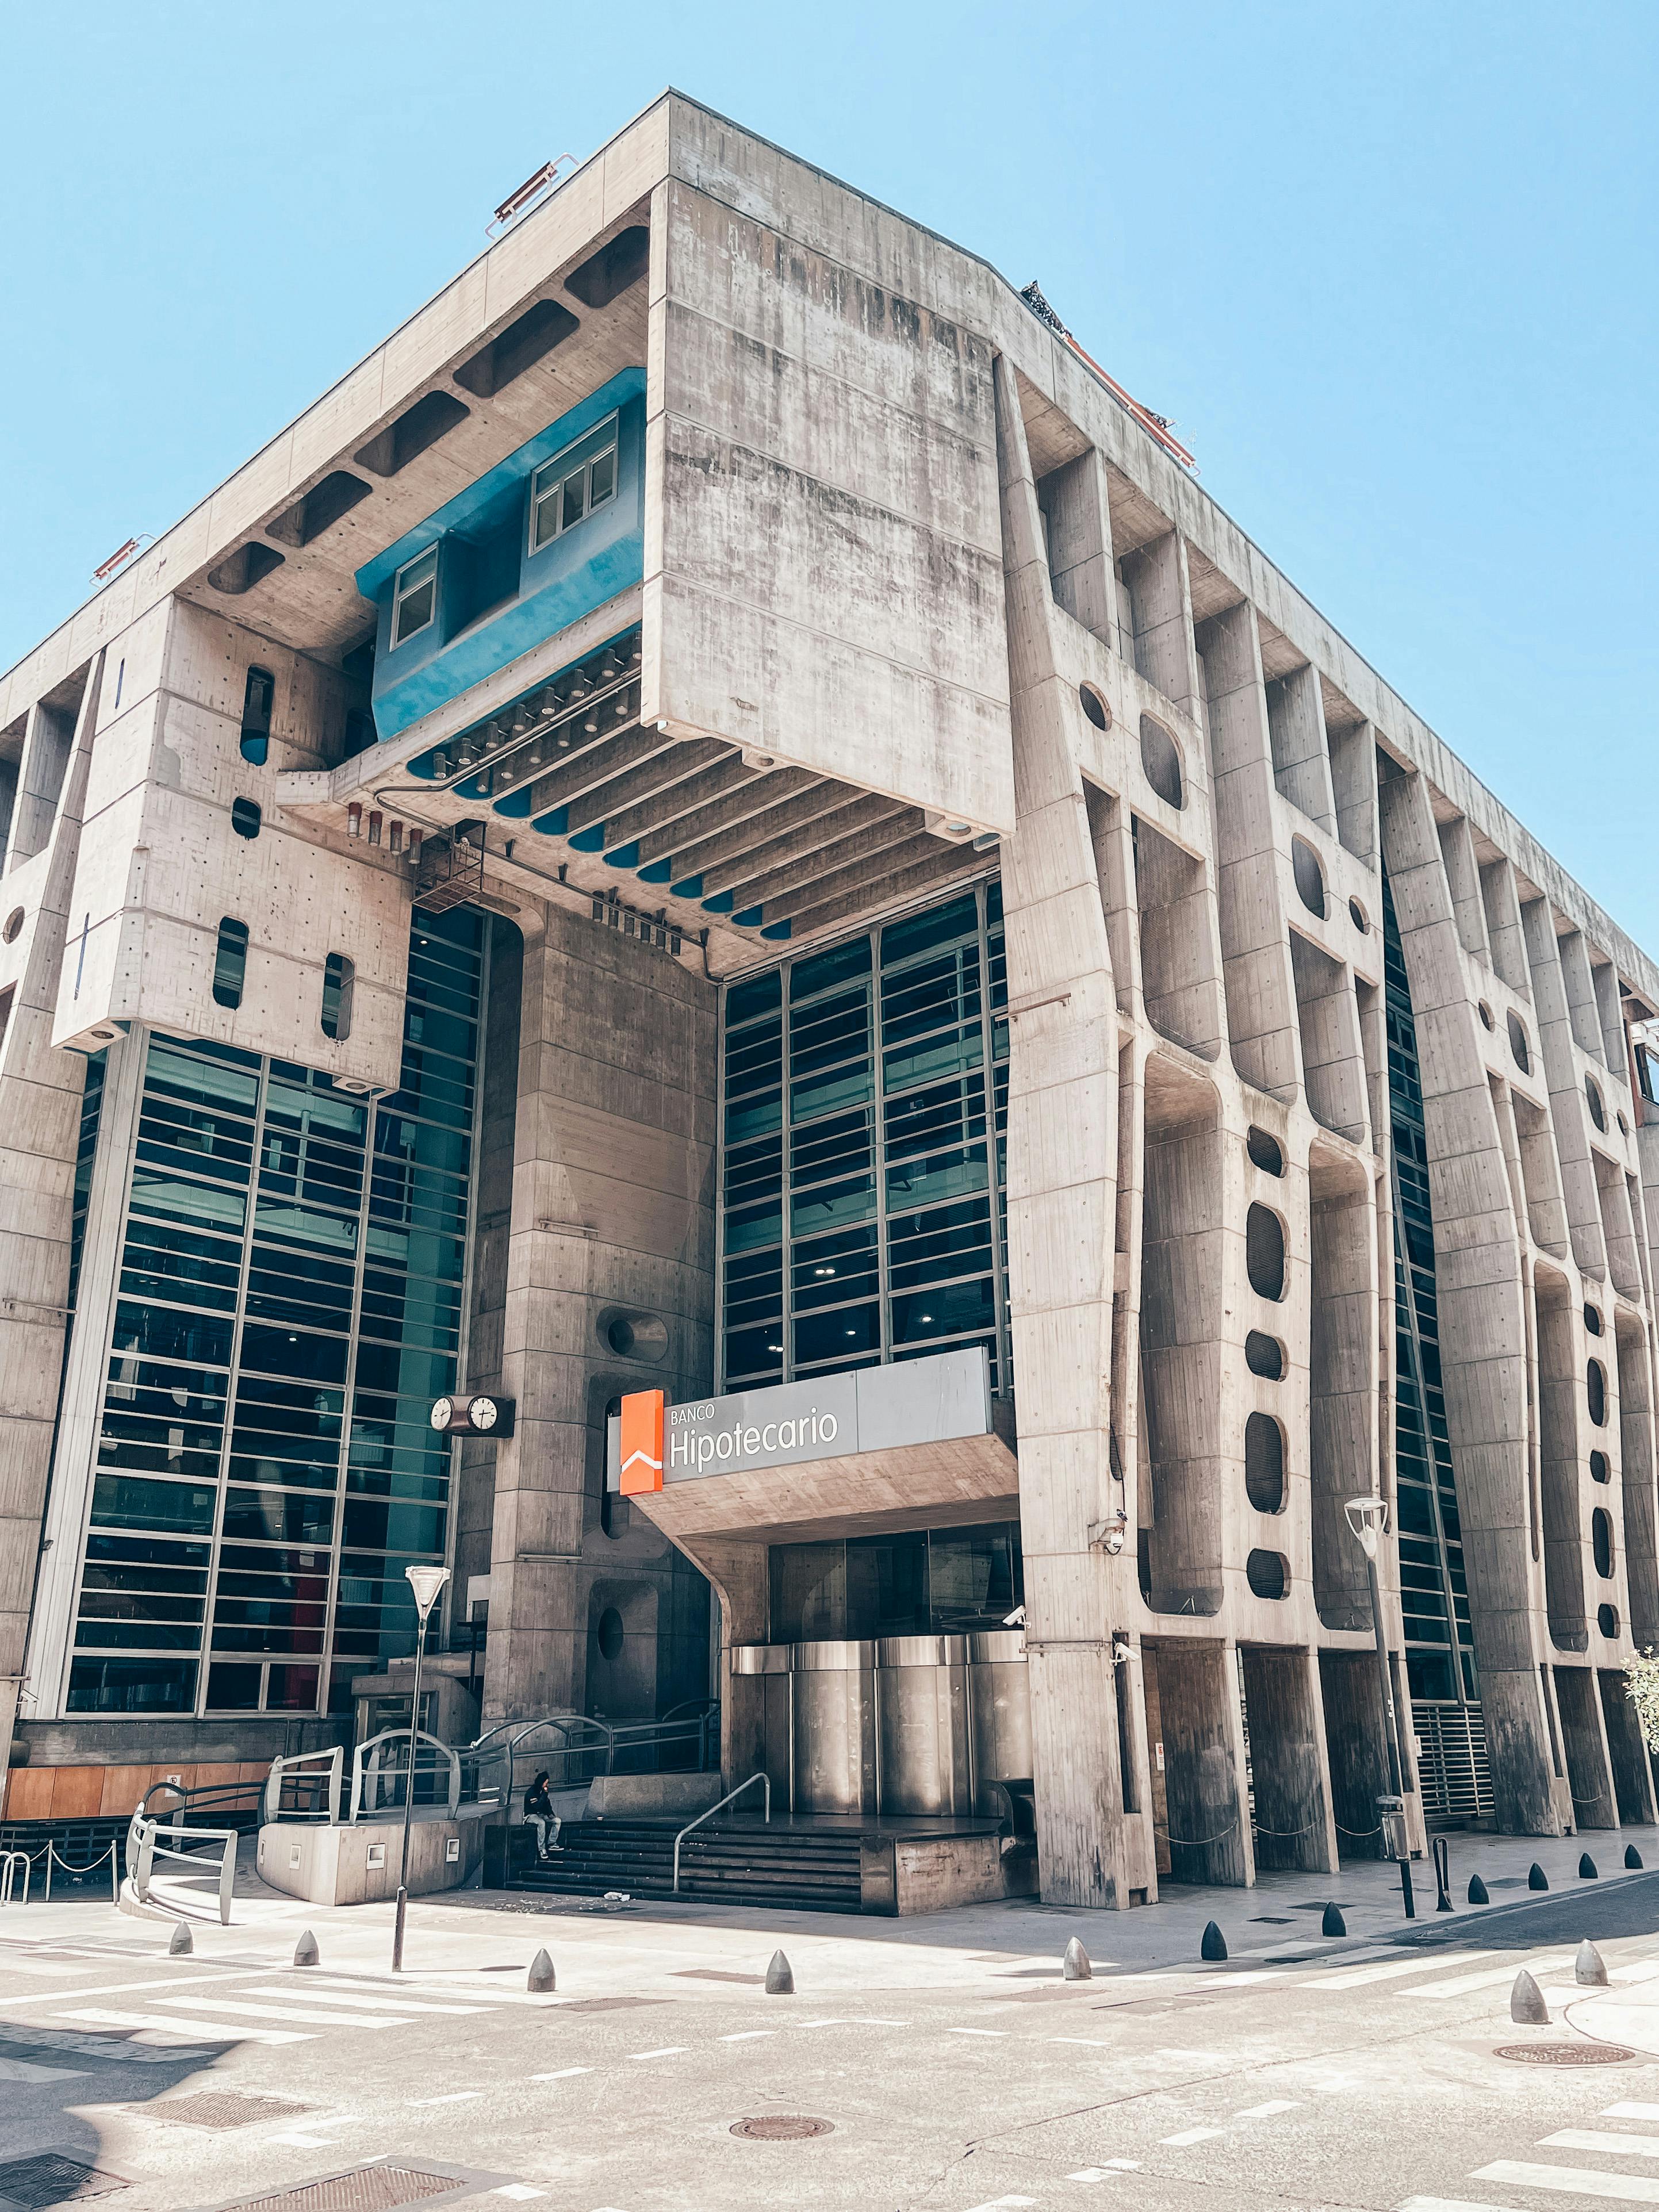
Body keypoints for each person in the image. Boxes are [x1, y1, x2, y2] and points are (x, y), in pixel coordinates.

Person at [523, 1770, 561, 1859]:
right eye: (546, 1783)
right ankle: (542, 1849)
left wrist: (550, 1814)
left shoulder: (542, 1791)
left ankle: (552, 1843)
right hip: (530, 1815)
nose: (547, 1785)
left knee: (557, 1821)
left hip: (542, 1814)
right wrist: (545, 1794)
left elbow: (547, 1803)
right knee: (541, 1823)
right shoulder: (532, 1792)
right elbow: (537, 1806)